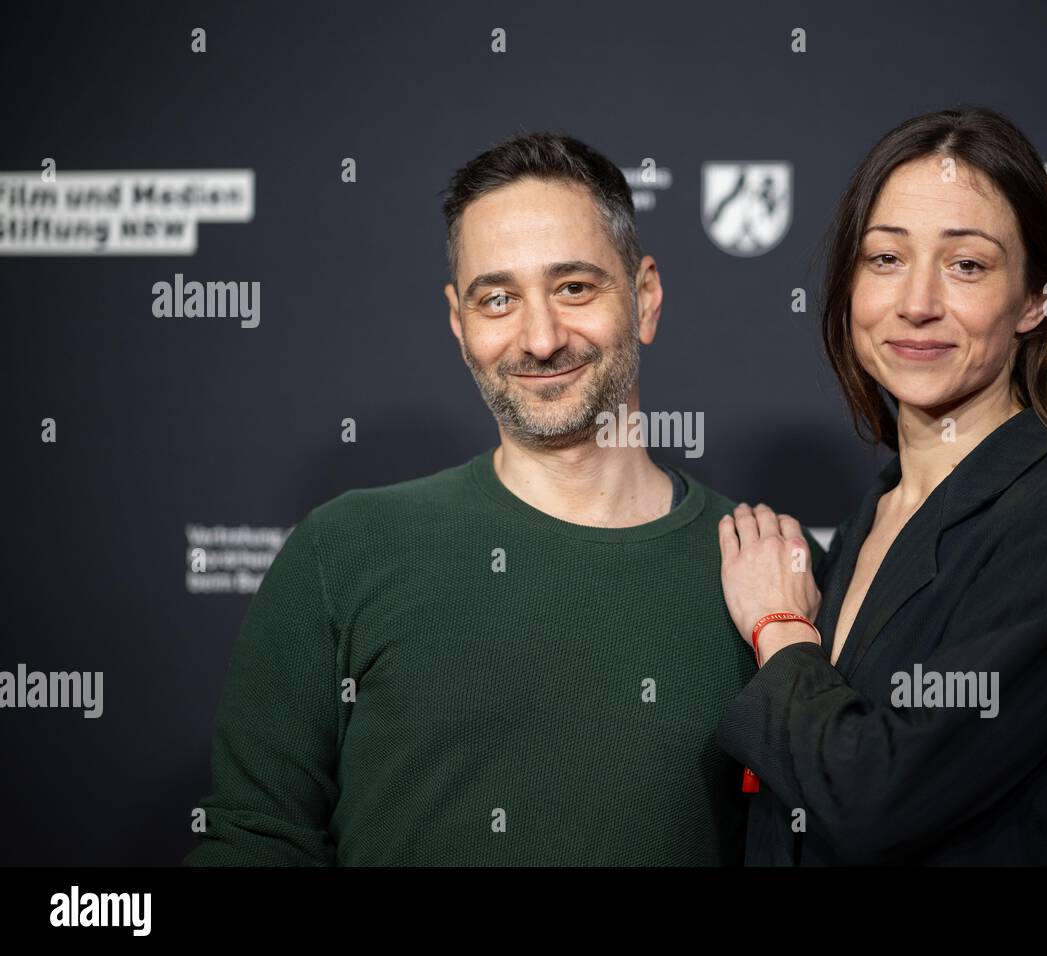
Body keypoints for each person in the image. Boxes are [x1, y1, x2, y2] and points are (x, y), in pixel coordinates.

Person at [184, 132, 779, 865]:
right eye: (497, 298)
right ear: (459, 323)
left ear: (645, 297)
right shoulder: (343, 550)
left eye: (574, 287)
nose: (539, 337)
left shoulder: (765, 573)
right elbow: (252, 840)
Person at [714, 107, 1047, 865]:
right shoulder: (870, 520)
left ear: (1035, 300)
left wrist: (780, 631)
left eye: (967, 265)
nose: (916, 302)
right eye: (885, 259)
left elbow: (872, 795)